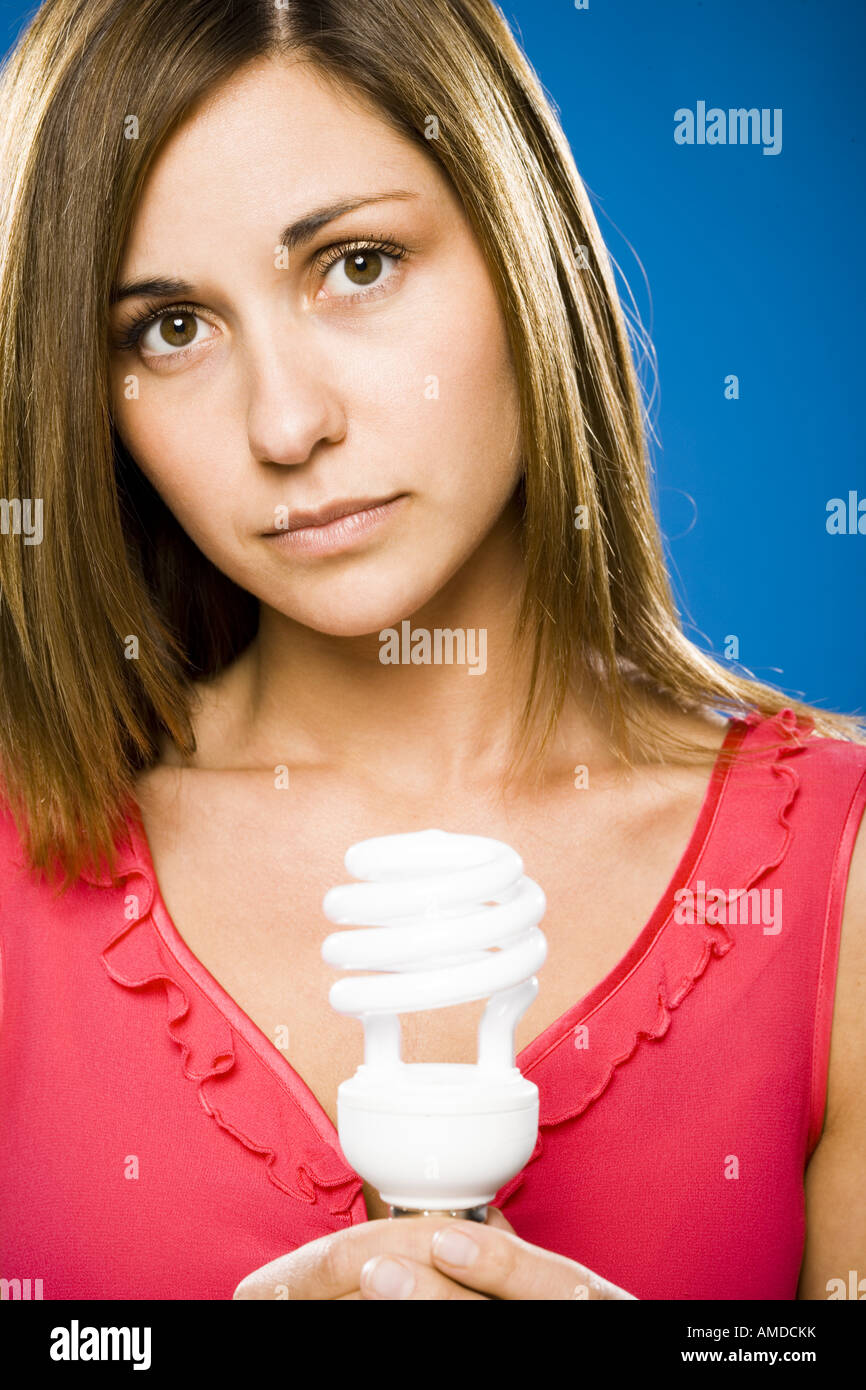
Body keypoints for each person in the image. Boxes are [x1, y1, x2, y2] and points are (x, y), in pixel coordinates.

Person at [0, 0, 863, 1301]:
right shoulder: (24, 859)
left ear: (527, 250)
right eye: (169, 328)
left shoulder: (835, 887)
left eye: (355, 264)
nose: (287, 422)